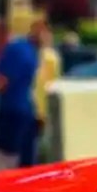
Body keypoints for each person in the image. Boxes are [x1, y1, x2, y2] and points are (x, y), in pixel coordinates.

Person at [0, 17, 44, 170]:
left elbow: (1, 81)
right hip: (28, 111)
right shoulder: (32, 52)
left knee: (5, 157)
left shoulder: (14, 49)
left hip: (11, 110)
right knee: (27, 161)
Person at [30, 21, 62, 166]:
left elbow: (51, 83)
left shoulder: (49, 57)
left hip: (42, 108)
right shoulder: (37, 55)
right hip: (35, 108)